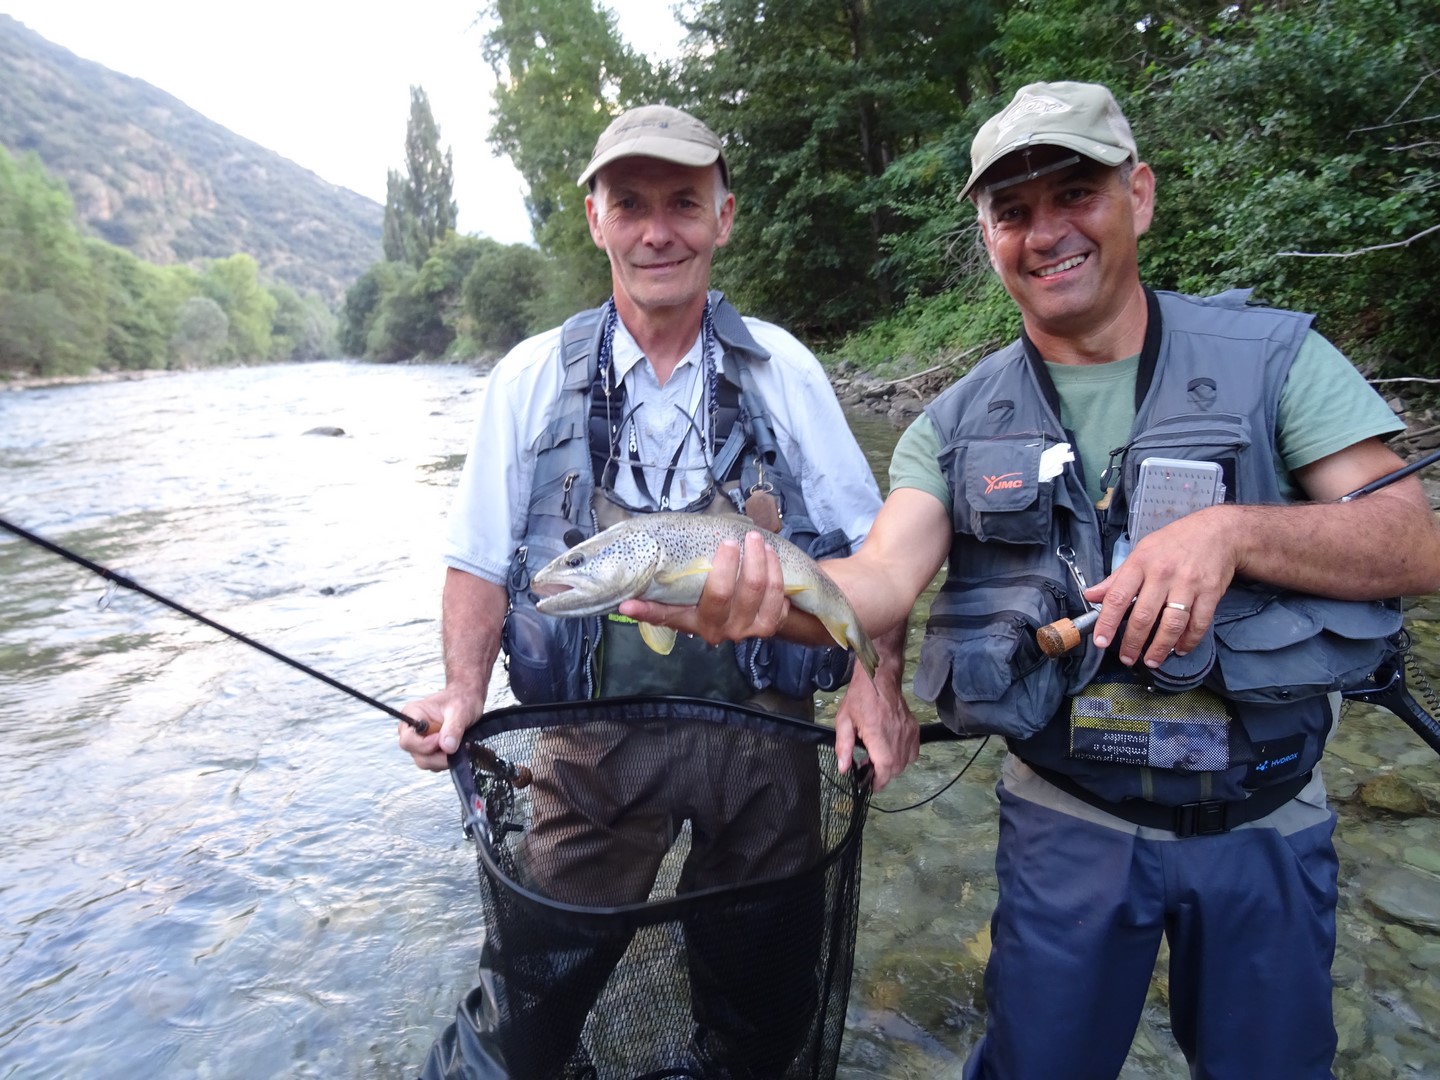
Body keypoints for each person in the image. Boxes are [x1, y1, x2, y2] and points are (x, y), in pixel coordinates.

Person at [622, 82, 1440, 1078]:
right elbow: (879, 584)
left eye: (1076, 193)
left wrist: (1235, 533)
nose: (1046, 230)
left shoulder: (1280, 362)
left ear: (1137, 194)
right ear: (986, 233)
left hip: (1268, 818)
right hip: (1068, 823)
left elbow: (1413, 542)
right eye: (1012, 211)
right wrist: (764, 597)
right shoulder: (952, 424)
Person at [398, 103, 918, 1079]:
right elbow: (475, 560)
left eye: (684, 201)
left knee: (761, 1018)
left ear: (724, 217)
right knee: (526, 1009)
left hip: (768, 750)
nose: (656, 229)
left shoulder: (786, 370)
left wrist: (873, 686)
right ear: (594, 218)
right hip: (590, 758)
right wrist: (463, 693)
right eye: (629, 203)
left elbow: (871, 550)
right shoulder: (526, 380)